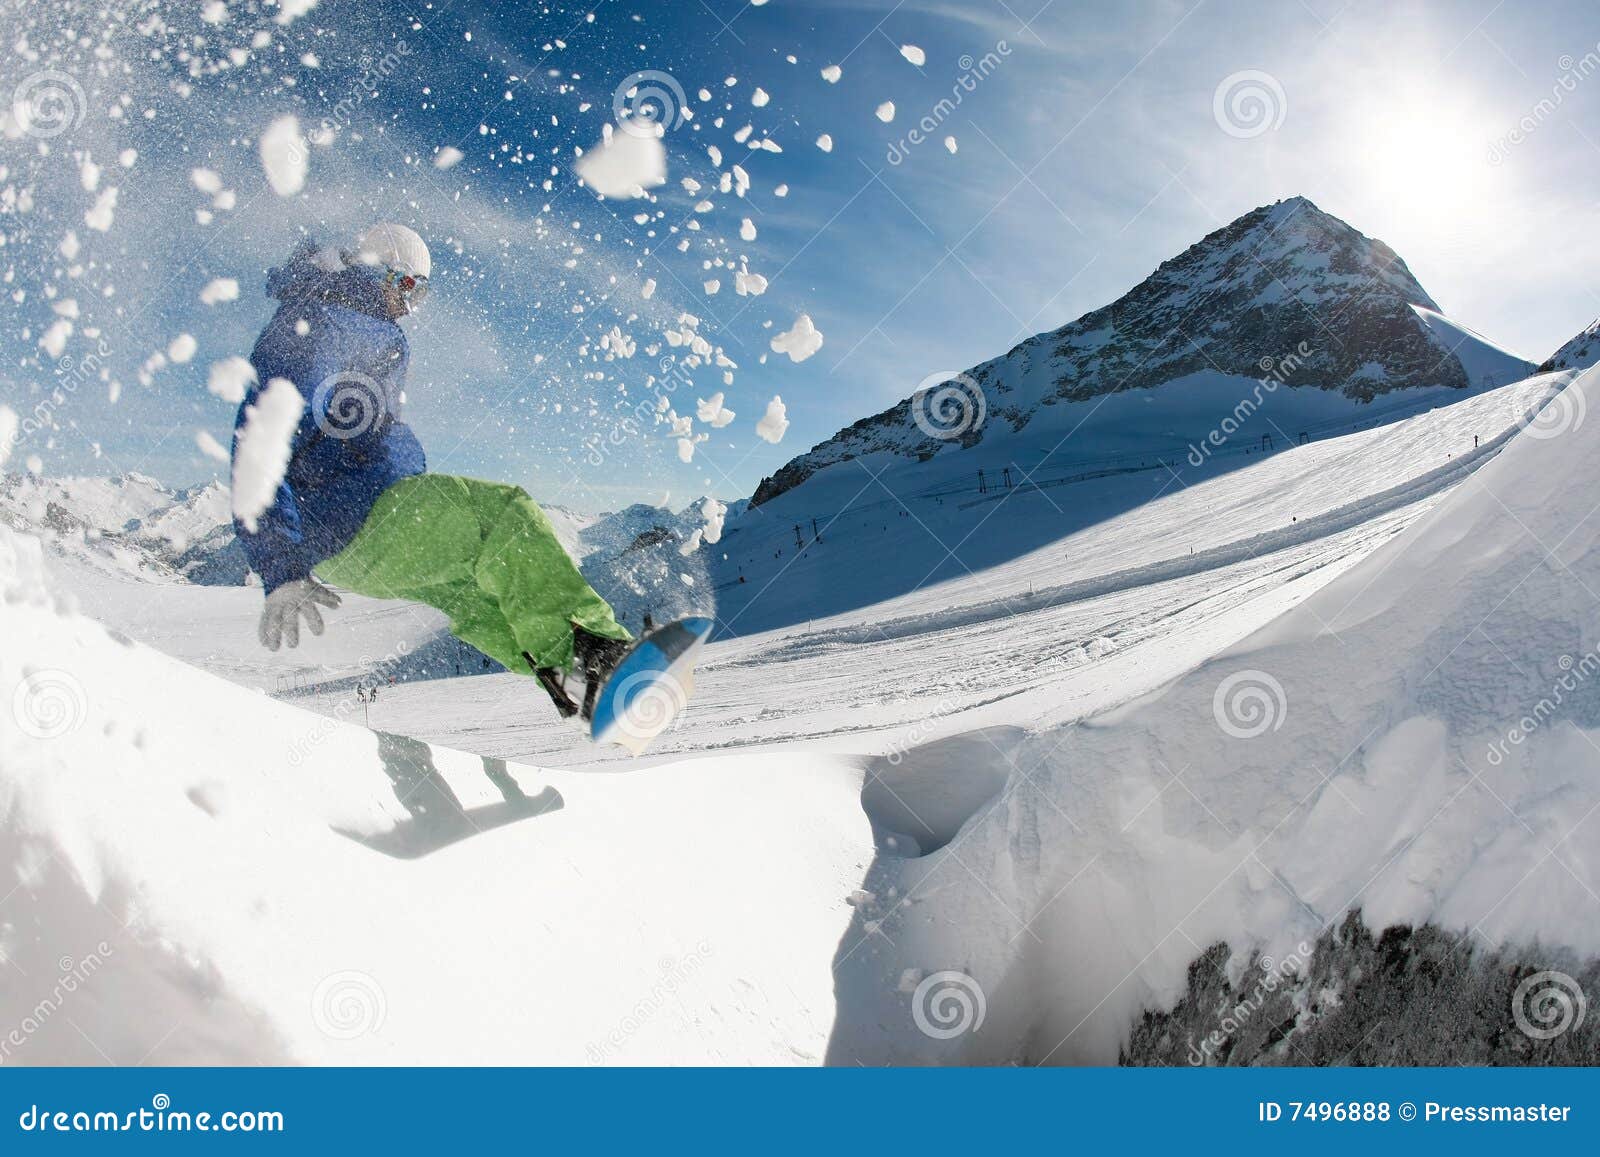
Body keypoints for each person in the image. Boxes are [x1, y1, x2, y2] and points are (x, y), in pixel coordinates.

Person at [231, 223, 633, 720]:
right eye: (407, 286)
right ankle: (598, 659)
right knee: (502, 517)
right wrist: (279, 566)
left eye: (421, 294)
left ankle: (579, 686)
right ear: (374, 270)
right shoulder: (323, 323)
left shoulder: (362, 327)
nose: (411, 304)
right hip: (358, 517)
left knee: (474, 595)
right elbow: (259, 436)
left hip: (352, 534)